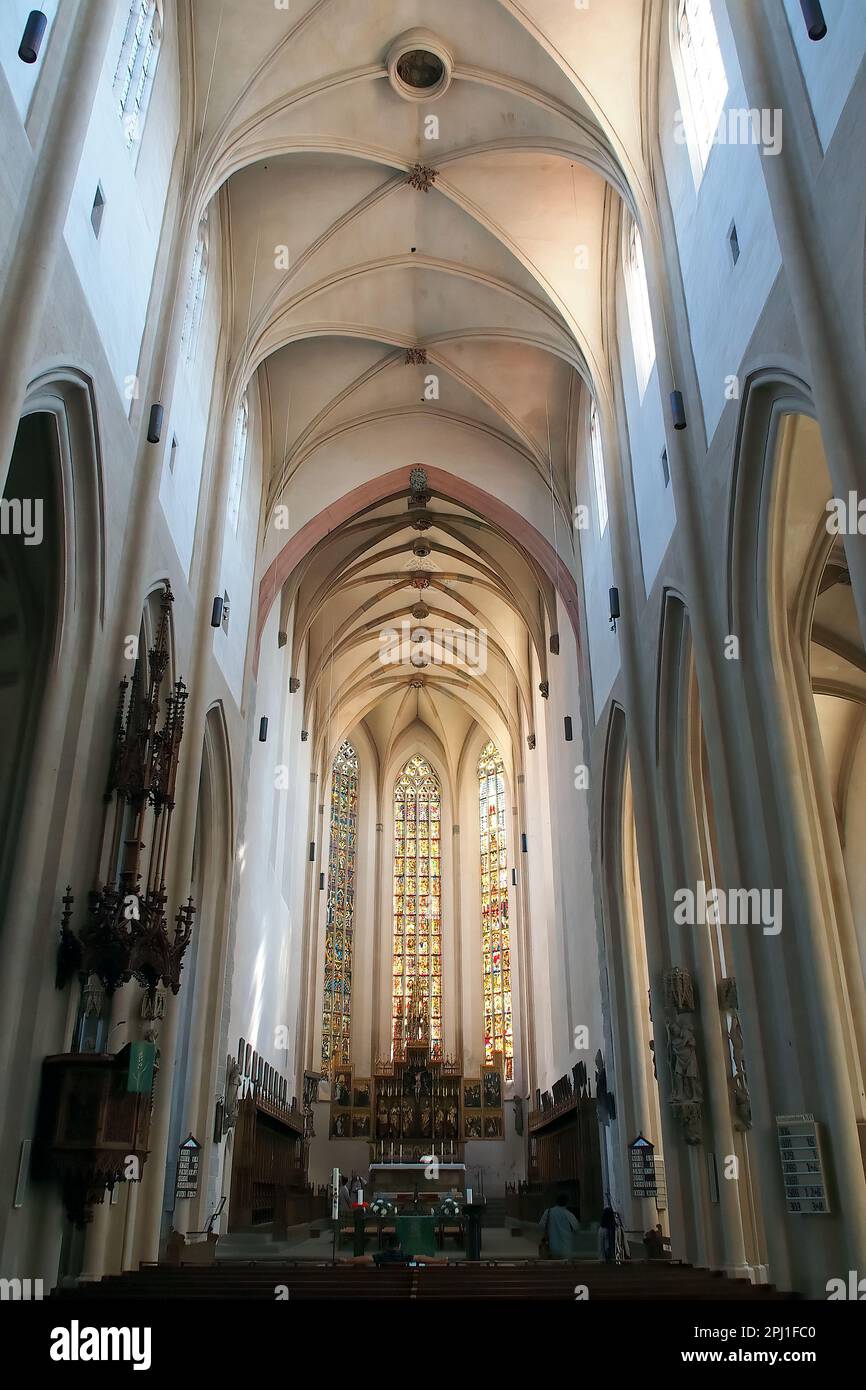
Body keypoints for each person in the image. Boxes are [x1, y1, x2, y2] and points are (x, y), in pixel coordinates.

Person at [538, 1192, 579, 1259]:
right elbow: (576, 1228)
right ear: (567, 1202)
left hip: (552, 1247)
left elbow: (540, 1226)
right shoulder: (568, 1214)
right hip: (566, 1247)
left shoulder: (548, 1212)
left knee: (554, 1267)